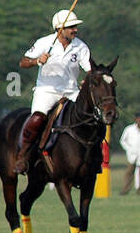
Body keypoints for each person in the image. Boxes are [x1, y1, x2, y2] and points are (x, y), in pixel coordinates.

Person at [15, 9, 93, 174]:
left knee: (92, 117)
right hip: (47, 90)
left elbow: (90, 70)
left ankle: (95, 157)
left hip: (71, 92)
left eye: (75, 27)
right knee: (37, 119)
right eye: (71, 27)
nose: (75, 30)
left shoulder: (80, 47)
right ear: (60, 29)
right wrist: (37, 60)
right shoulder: (44, 42)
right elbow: (23, 62)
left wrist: (89, 79)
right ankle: (23, 156)